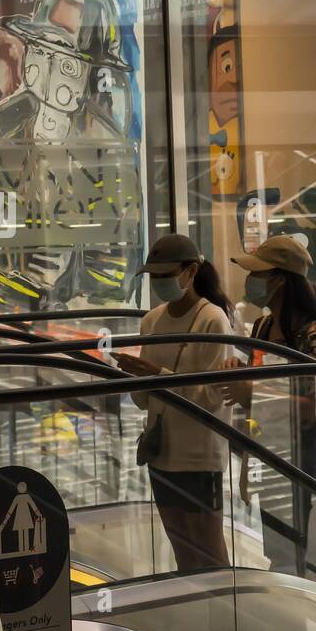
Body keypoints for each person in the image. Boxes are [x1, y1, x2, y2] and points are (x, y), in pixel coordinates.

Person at [115, 234, 236, 573]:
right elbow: (144, 401)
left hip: (199, 454)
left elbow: (212, 398)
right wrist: (135, 377)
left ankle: (223, 618)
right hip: (162, 450)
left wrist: (157, 374)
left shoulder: (213, 319)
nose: (160, 283)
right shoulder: (151, 321)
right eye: (154, 276)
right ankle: (195, 615)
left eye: (166, 275)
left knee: (209, 550)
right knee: (181, 545)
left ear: (191, 271)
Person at [223, 236, 316, 579]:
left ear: (281, 280)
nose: (252, 282)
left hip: (302, 456)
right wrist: (242, 377)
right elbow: (264, 380)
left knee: (302, 551)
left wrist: (253, 393)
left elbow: (315, 406)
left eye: (260, 273)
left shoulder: (313, 334)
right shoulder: (261, 325)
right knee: (276, 548)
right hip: (268, 449)